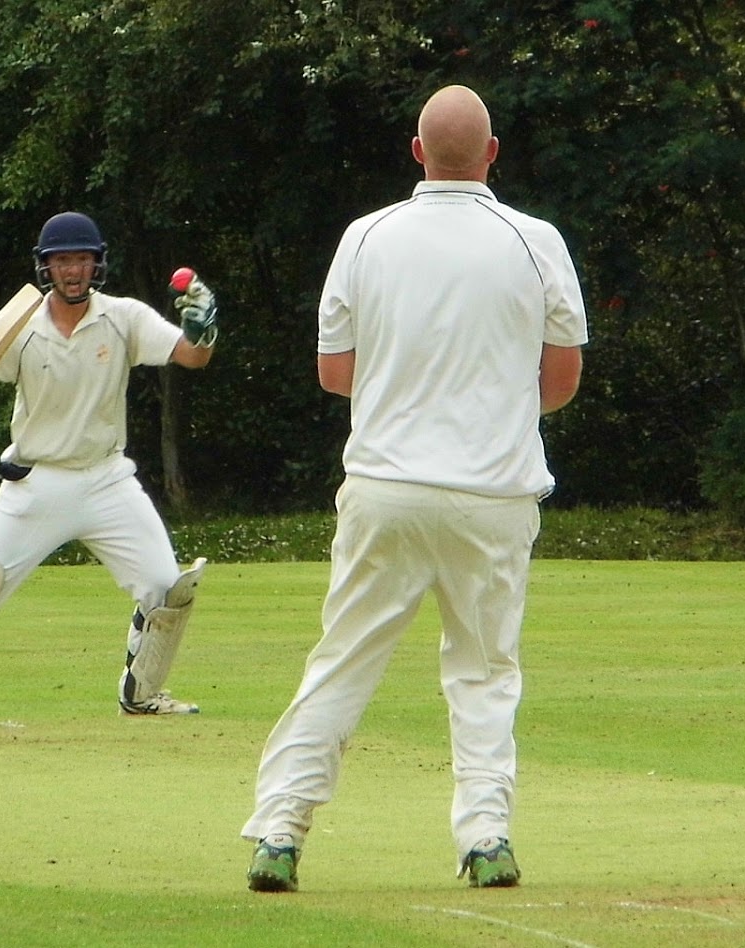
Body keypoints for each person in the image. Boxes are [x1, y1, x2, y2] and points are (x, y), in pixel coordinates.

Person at [241, 85, 588, 892]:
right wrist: (492, 406)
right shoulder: (535, 241)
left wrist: (410, 395)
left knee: (342, 662)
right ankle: (487, 839)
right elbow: (562, 380)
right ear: (492, 154)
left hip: (385, 487)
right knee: (484, 670)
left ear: (417, 151)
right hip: (493, 496)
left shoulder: (366, 237)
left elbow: (335, 374)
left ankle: (280, 835)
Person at [0, 211, 218, 720]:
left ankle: (143, 693)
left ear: (97, 263)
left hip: (107, 479)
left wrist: (204, 328)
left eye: (82, 259)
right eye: (62, 260)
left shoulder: (123, 317)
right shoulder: (21, 326)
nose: (73, 270)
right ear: (46, 267)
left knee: (167, 587)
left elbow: (192, 356)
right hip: (35, 482)